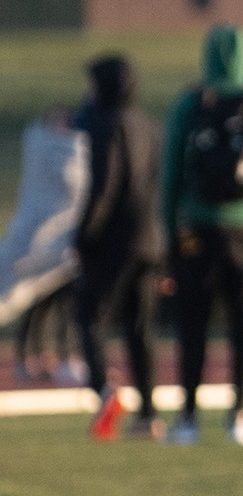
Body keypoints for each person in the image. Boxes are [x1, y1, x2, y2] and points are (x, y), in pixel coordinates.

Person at [160, 24, 243, 446]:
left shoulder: (190, 103)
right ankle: (238, 413)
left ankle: (187, 417)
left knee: (192, 323)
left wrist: (170, 227)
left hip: (198, 228)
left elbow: (170, 172)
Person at [73, 55, 165, 438]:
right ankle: (148, 414)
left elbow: (105, 187)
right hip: (151, 238)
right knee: (140, 327)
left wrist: (85, 232)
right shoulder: (149, 125)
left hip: (115, 239)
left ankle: (103, 389)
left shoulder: (110, 125)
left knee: (89, 315)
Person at [2, 107, 87, 386]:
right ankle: (28, 357)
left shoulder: (74, 147)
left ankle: (63, 355)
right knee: (32, 300)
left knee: (63, 303)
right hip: (41, 242)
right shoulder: (43, 146)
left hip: (65, 245)